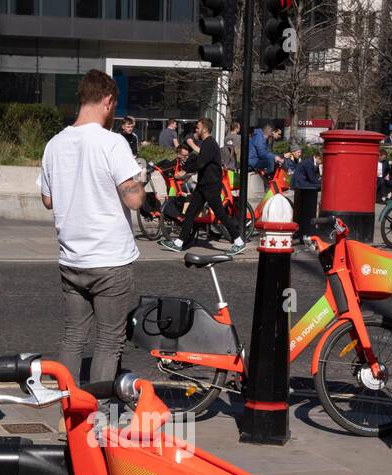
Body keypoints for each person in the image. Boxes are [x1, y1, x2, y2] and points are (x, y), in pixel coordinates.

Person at [39, 69, 144, 384]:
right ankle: (95, 420)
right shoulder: (112, 143)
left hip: (72, 259)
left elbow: (47, 200)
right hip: (109, 259)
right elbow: (135, 200)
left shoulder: (54, 145)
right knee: (109, 341)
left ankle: (68, 417)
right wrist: (139, 176)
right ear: (108, 101)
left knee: (73, 337)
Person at [158, 117, 247, 257]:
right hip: (204, 185)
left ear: (205, 129)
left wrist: (186, 171)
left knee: (221, 215)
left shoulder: (210, 143)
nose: (196, 129)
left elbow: (201, 163)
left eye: (198, 127)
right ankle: (179, 243)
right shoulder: (206, 143)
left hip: (211, 186)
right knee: (190, 213)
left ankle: (239, 242)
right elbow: (200, 161)